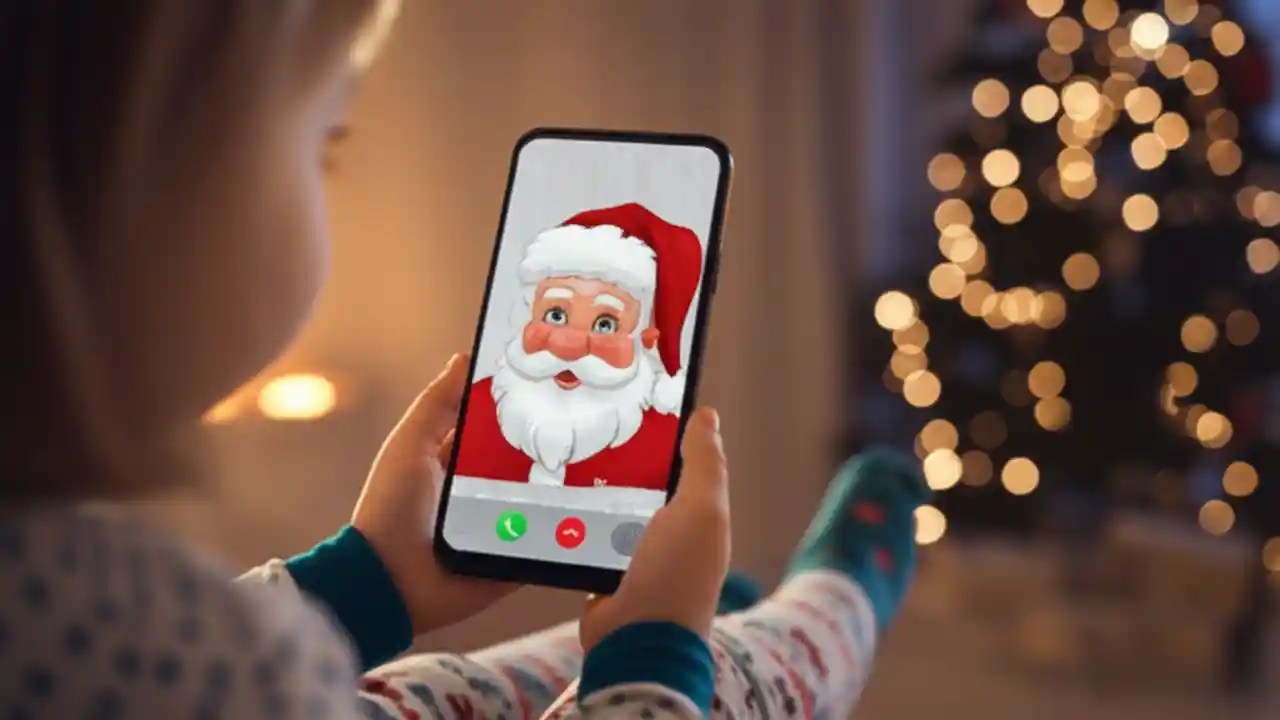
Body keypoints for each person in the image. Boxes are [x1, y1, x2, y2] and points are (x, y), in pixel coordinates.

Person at [0, 2, 928, 718]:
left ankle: (688, 621)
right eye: (330, 141)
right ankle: (833, 601)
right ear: (129, 191)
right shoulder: (210, 654)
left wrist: (363, 585)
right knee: (730, 674)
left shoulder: (105, 619)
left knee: (447, 684)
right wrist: (652, 660)